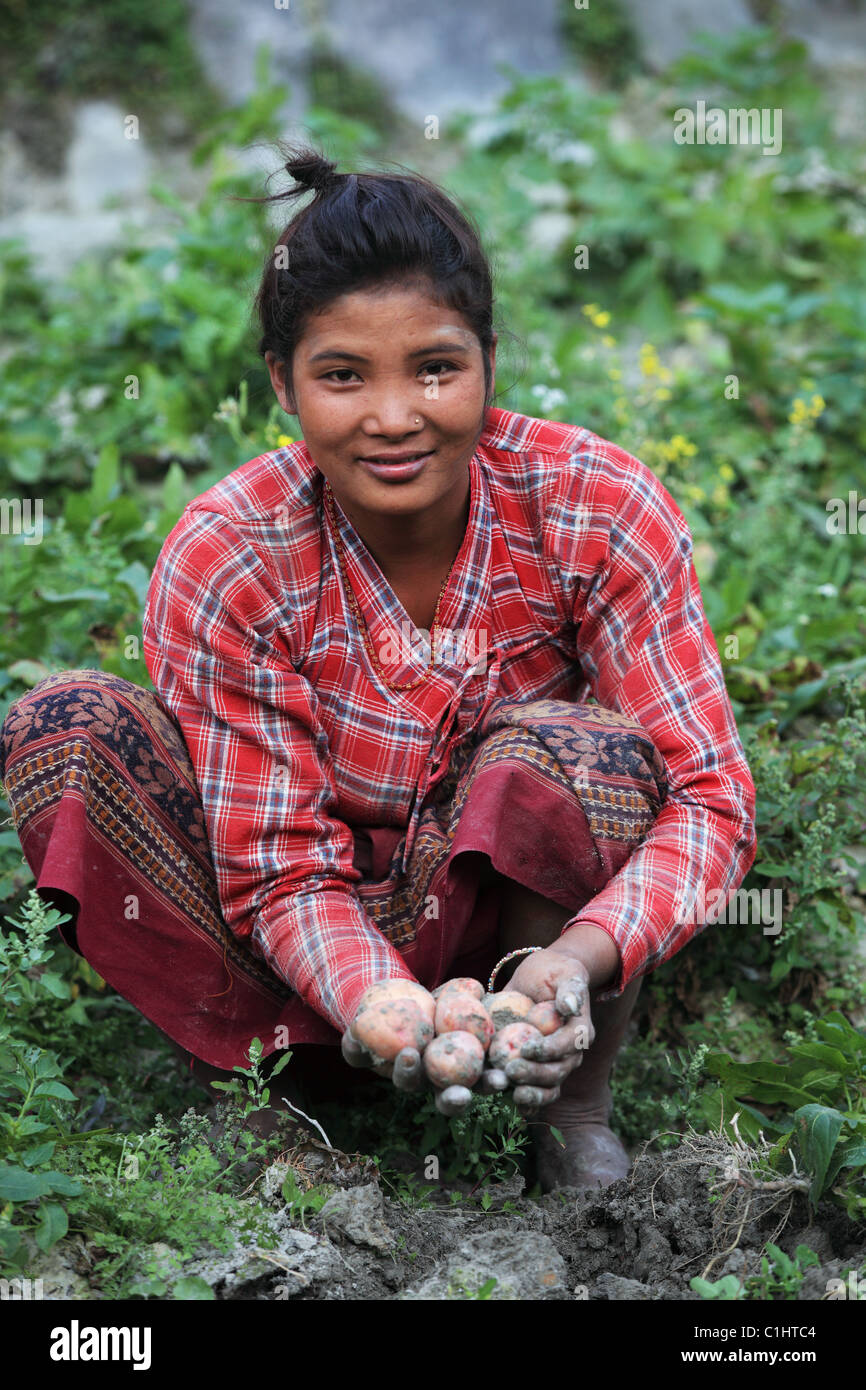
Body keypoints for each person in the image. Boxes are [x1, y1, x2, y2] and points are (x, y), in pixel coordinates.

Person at [0, 147, 757, 1193]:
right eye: (342, 375)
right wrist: (377, 1000)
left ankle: (560, 1092)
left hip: (507, 923)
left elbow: (710, 796)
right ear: (282, 383)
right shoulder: (230, 552)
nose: (393, 416)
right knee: (71, 729)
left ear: (490, 359)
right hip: (299, 935)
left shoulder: (595, 504)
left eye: (435, 368)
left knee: (584, 746)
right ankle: (274, 1081)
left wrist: (573, 959)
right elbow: (275, 865)